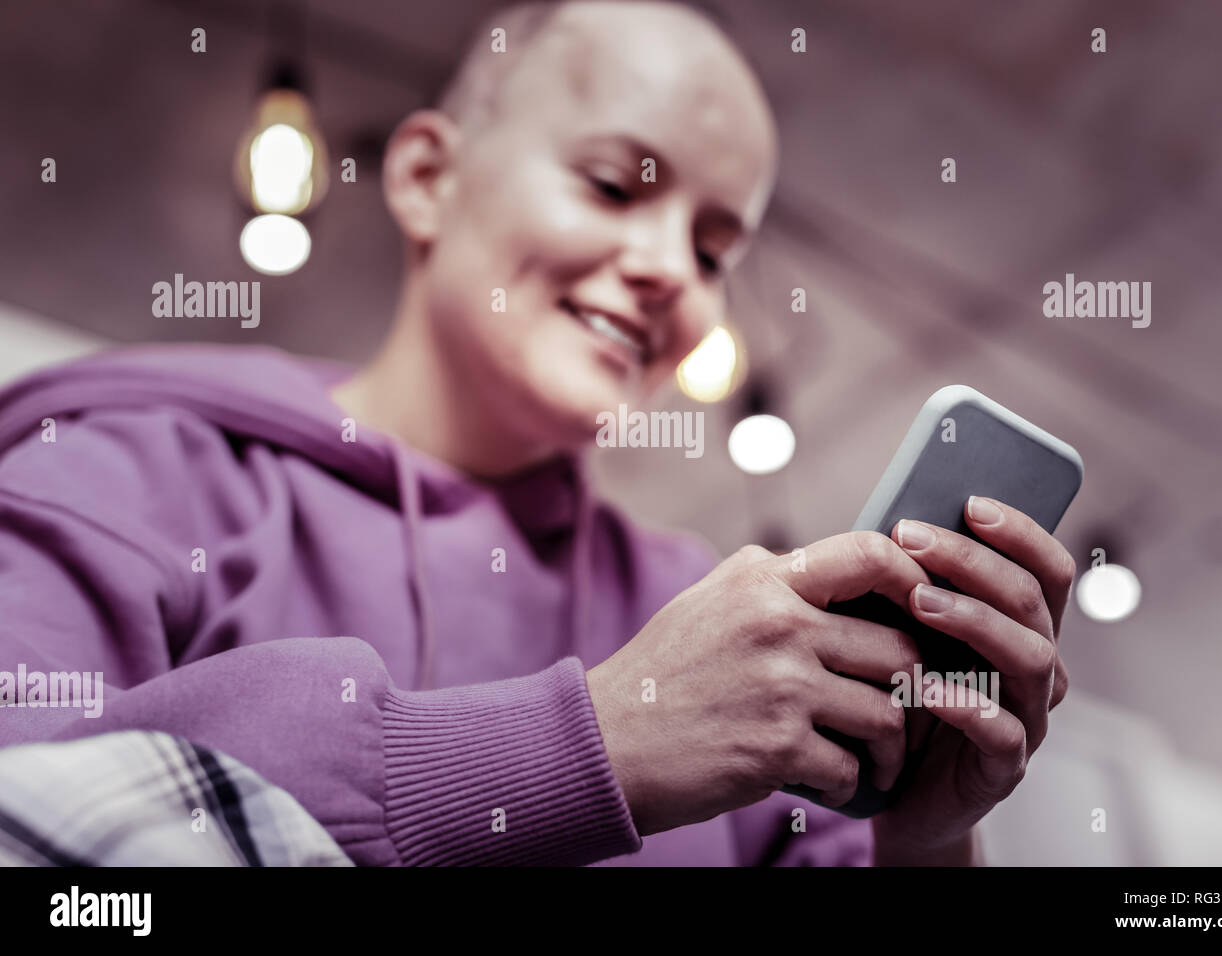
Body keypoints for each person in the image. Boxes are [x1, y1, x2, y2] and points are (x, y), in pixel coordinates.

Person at [0, 0, 1074, 866]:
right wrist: (585, 744)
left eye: (711, 251)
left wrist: (923, 841)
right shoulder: (125, 463)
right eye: (614, 185)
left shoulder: (733, 618)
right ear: (426, 177)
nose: (668, 271)